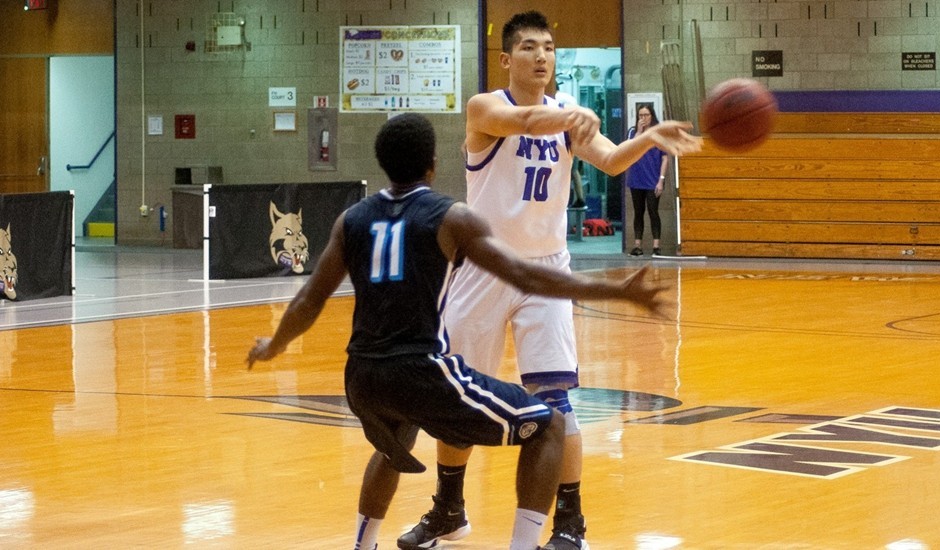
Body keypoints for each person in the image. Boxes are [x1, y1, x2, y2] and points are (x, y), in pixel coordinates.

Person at [245, 114, 677, 550]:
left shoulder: (352, 219)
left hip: (361, 377)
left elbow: (308, 300)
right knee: (549, 426)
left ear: (382, 162)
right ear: (432, 163)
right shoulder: (449, 217)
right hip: (421, 371)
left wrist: (273, 345)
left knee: (396, 439)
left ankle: (366, 544)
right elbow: (526, 278)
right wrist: (616, 290)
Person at [398, 11, 702, 550]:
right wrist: (573, 116)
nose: (543, 56)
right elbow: (525, 124)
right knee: (455, 399)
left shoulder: (568, 115)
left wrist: (649, 136)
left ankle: (570, 525)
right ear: (507, 59)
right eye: (531, 47)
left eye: (550, 48)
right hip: (482, 271)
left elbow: (608, 161)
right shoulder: (486, 107)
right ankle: (449, 508)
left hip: (546, 272)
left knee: (556, 402)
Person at [626, 103, 671, 257]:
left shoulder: (659, 134)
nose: (643, 118)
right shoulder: (633, 132)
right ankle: (637, 245)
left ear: (652, 116)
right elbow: (628, 149)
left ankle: (656, 246)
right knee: (638, 212)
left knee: (653, 211)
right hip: (636, 179)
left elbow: (665, 158)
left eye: (646, 115)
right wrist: (639, 132)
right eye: (640, 115)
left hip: (652, 180)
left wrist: (661, 180)